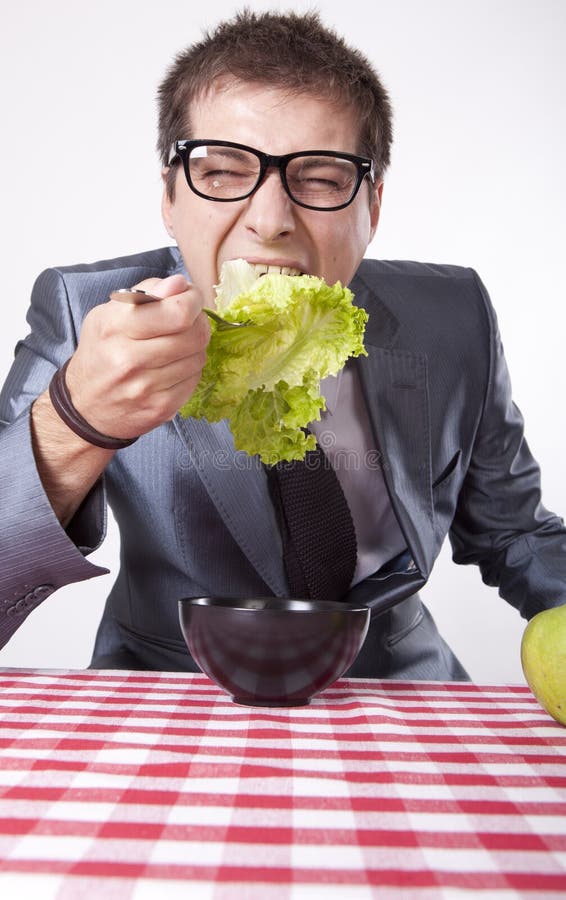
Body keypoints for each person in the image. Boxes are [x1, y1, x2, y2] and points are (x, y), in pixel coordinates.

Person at [1, 10, 564, 677]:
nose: (269, 221)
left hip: (399, 689)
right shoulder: (90, 313)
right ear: (170, 198)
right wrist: (75, 420)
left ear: (372, 208)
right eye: (221, 172)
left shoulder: (453, 315)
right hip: (175, 693)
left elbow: (514, 531)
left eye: (321, 178)